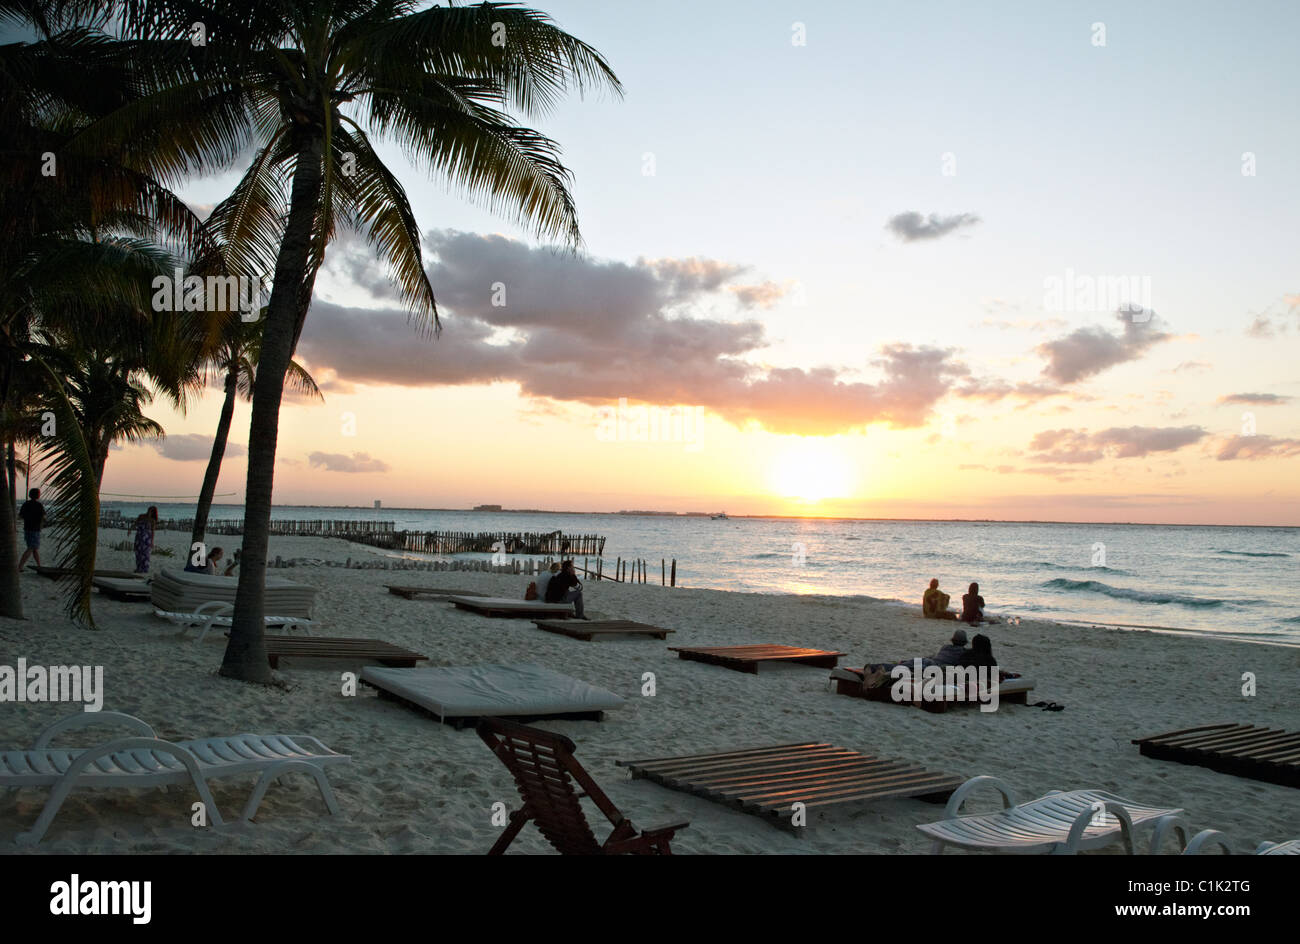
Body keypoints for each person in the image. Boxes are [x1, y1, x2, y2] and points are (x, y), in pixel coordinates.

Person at [18, 488, 45, 570]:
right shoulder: (38, 505)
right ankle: (20, 566)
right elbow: (43, 517)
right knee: (31, 548)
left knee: (34, 549)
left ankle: (39, 565)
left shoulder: (26, 504)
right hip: (35, 529)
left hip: (27, 528)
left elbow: (21, 516)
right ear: (37, 495)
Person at [134, 506, 158, 574]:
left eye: (151, 511)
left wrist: (152, 541)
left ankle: (144, 569)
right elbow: (135, 524)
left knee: (145, 554)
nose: (149, 512)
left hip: (147, 539)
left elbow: (153, 531)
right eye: (149, 510)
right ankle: (138, 568)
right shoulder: (141, 516)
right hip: (139, 536)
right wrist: (129, 530)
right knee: (138, 552)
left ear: (153, 512)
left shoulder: (152, 520)